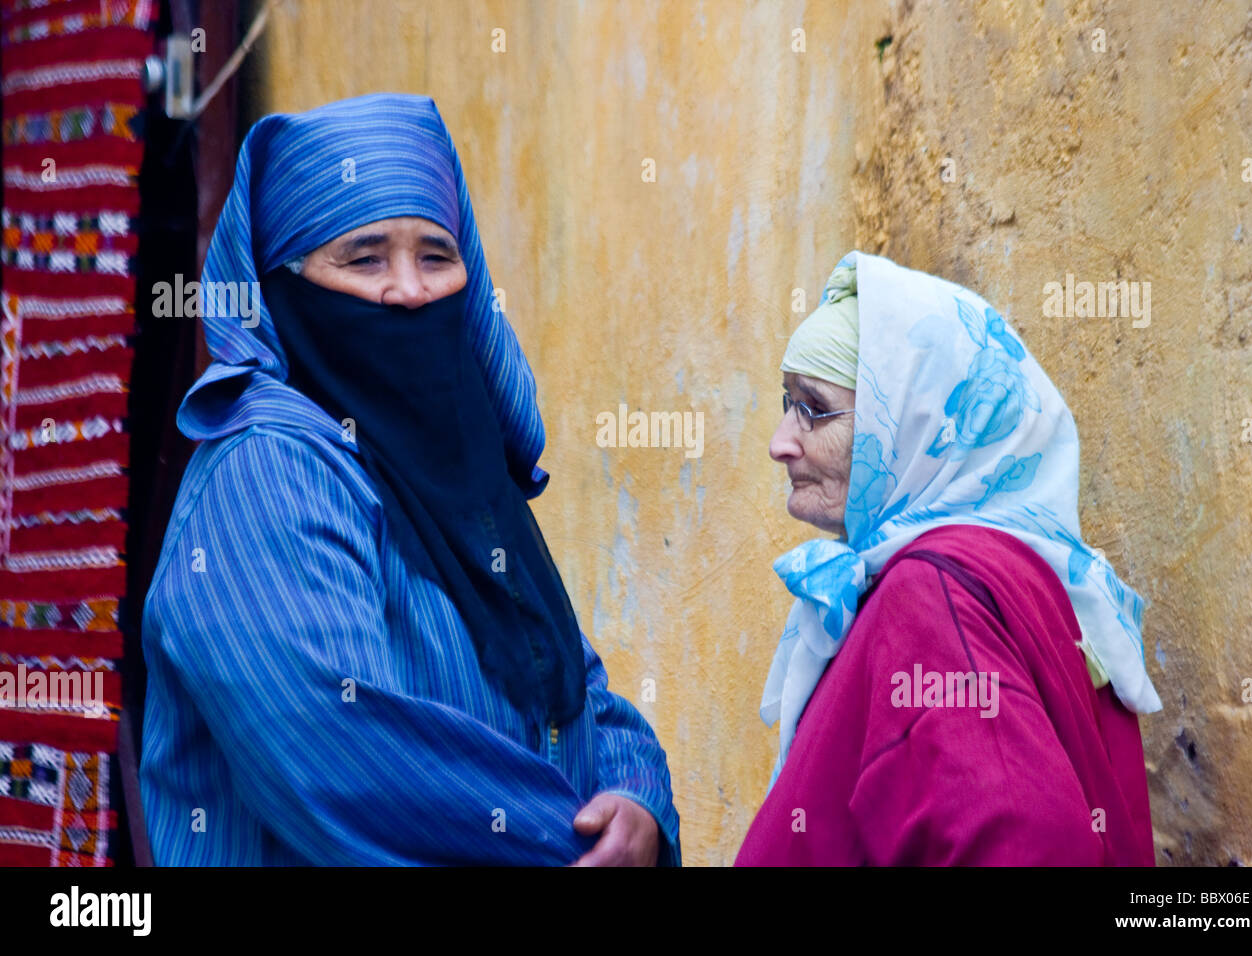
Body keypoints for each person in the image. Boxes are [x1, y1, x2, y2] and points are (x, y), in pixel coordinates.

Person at [140, 92, 680, 866]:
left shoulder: (459, 482)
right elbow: (338, 745)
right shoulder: (268, 474)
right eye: (364, 258)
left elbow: (569, 684)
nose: (410, 290)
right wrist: (571, 841)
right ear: (283, 286)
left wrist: (635, 800)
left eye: (436, 254)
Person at [735, 252, 1160, 866]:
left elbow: (1028, 844)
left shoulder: (933, 595)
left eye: (813, 408)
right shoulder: (997, 572)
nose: (780, 443)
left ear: (913, 421)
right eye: (785, 402)